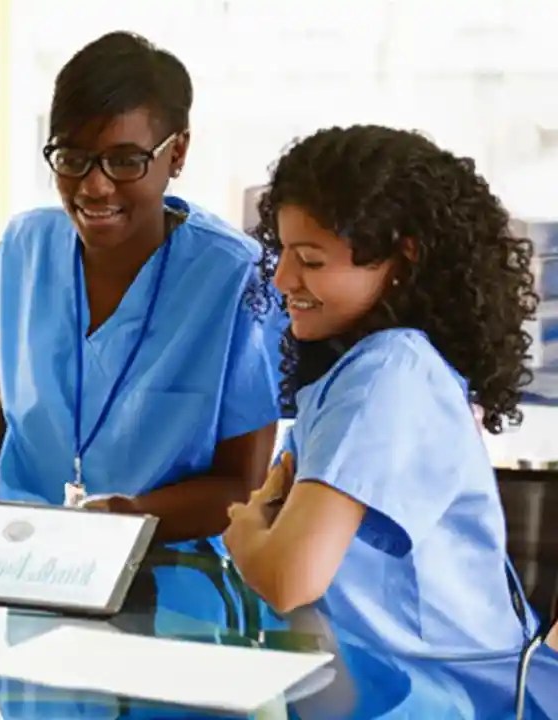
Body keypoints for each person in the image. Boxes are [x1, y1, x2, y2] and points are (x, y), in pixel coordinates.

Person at [223, 124, 539, 653]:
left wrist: (245, 532)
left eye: (312, 260)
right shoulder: (372, 370)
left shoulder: (390, 372)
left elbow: (288, 578)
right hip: (387, 675)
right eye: (284, 252)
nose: (282, 280)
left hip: (442, 687)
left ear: (402, 257)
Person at [0, 31, 282, 541]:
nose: (95, 186)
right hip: (20, 546)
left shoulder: (236, 279)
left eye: (126, 161)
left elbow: (243, 486)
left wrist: (125, 516)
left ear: (177, 153)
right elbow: (0, 398)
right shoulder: (26, 247)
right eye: (72, 158)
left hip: (168, 562)